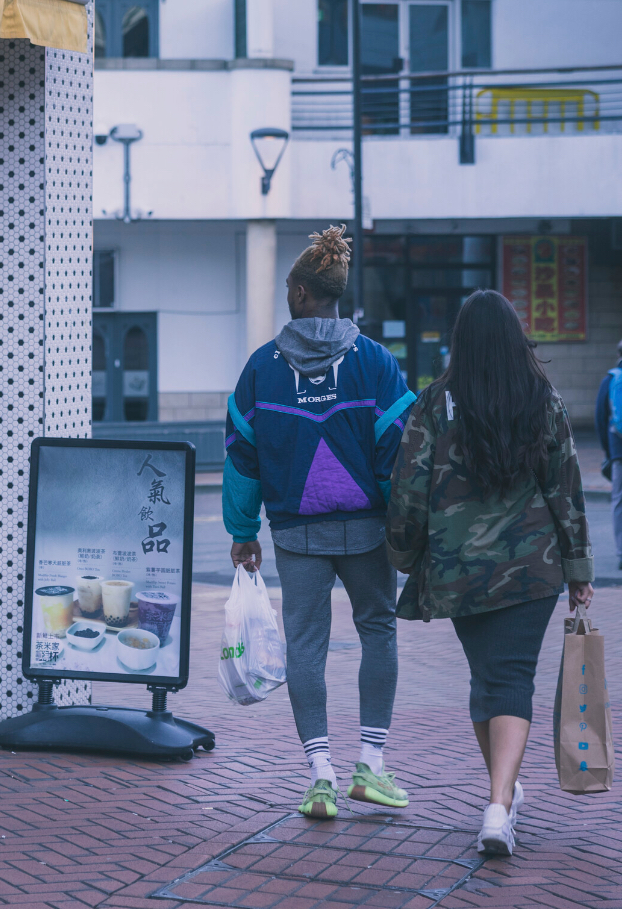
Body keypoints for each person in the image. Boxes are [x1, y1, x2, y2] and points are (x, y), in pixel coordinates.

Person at [387, 289, 594, 857]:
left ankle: (500, 799)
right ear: (513, 338)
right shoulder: (541, 400)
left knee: (490, 680)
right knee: (508, 680)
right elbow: (566, 488)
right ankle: (500, 801)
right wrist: (578, 567)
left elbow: (408, 488)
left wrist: (404, 558)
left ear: (460, 343)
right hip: (534, 571)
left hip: (461, 573)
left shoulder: (432, 405)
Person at [224, 225, 416, 819]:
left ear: (306, 294)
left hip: (295, 533)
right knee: (377, 631)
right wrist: (405, 526)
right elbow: (398, 451)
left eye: (290, 288)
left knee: (306, 646)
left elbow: (240, 452)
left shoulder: (262, 368)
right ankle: (372, 767)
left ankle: (320, 777)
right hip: (369, 531)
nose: (287, 295)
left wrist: (242, 530)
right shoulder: (376, 363)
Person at [595, 339, 622, 571]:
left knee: (619, 501)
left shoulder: (610, 380)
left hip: (618, 452)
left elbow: (599, 418)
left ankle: (621, 552)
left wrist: (609, 451)